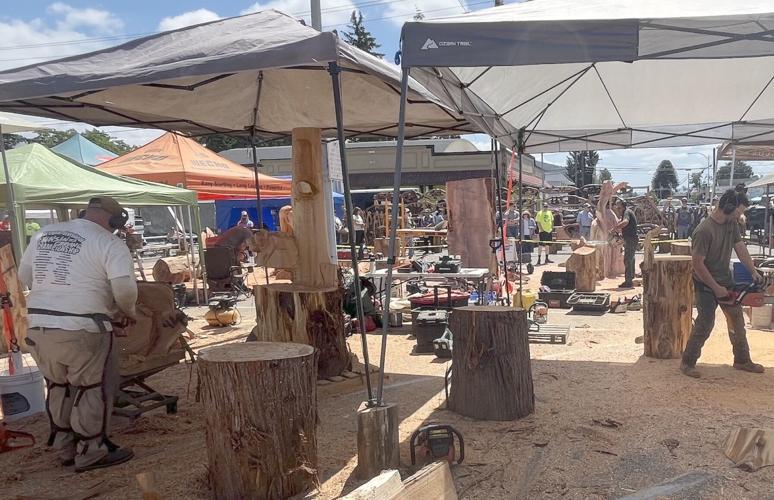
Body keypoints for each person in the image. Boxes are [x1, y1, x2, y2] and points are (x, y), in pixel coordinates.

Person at [19, 197, 137, 472]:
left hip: (39, 326)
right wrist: (127, 312)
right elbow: (124, 290)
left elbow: (26, 276)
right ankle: (90, 451)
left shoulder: (44, 234)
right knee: (90, 388)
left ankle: (65, 447)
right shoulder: (109, 242)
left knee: (58, 386)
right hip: (82, 328)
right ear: (115, 220)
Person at [680, 189, 765, 378]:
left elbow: (740, 249)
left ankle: (742, 360)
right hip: (705, 283)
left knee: (736, 319)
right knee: (705, 322)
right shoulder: (704, 230)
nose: (739, 216)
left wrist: (752, 271)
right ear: (727, 207)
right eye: (738, 211)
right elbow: (698, 264)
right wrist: (716, 288)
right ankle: (687, 362)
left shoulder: (731, 225)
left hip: (725, 280)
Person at [614, 199, 638, 288]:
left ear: (623, 207)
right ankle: (631, 278)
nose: (618, 210)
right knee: (631, 258)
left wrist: (615, 228)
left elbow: (625, 222)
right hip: (630, 239)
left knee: (627, 259)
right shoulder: (628, 212)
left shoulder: (626, 212)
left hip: (631, 239)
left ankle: (628, 282)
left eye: (619, 208)